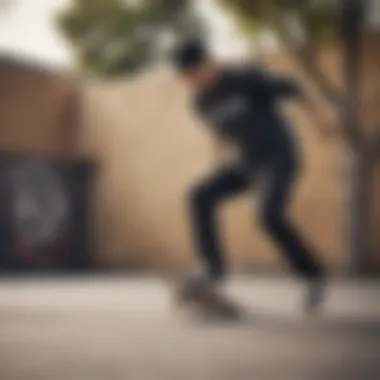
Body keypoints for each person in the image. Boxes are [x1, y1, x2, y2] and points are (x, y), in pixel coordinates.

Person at [172, 39, 335, 314]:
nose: (192, 82)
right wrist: (218, 157)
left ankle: (313, 274)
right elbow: (220, 130)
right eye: (185, 78)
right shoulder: (199, 101)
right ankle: (212, 271)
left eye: (194, 74)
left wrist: (320, 113)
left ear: (207, 62)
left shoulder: (244, 78)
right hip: (244, 164)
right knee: (199, 194)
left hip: (277, 157)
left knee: (269, 216)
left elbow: (293, 86)